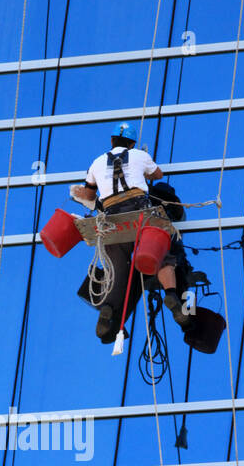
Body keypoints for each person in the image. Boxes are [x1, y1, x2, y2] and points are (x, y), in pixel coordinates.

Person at [80, 122, 194, 338]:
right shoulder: (138, 156)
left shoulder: (96, 163)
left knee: (117, 268)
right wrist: (141, 167)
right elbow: (158, 174)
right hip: (140, 211)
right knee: (161, 255)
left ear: (112, 141)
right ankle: (171, 294)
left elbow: (87, 195)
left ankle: (109, 308)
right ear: (132, 143)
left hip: (113, 217)